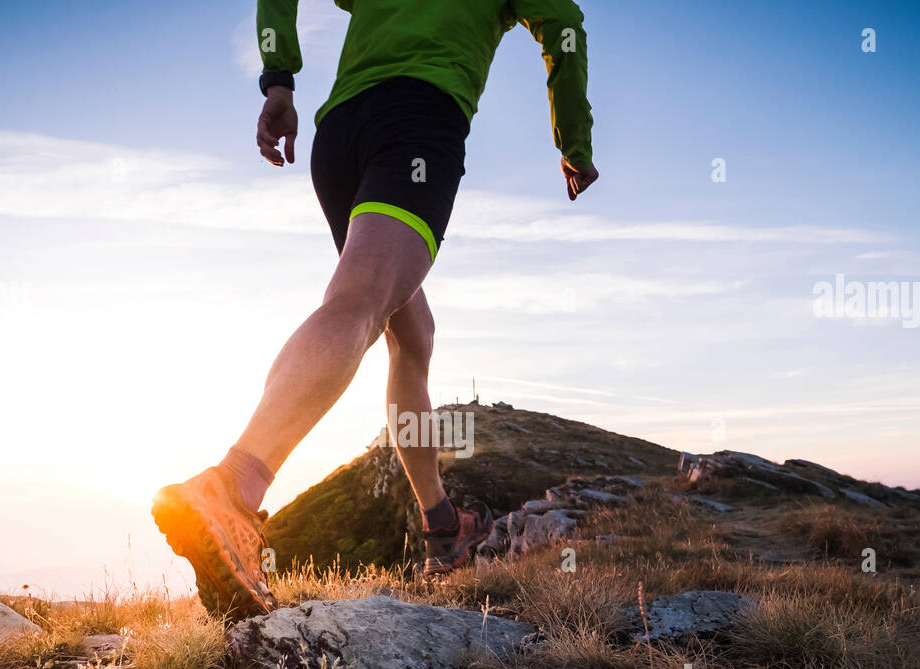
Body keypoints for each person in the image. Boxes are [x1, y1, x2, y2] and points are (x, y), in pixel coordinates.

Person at [153, 0, 598, 617]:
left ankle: (442, 525)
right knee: (361, 303)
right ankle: (234, 487)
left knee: (411, 333)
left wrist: (278, 81)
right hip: (417, 122)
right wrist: (574, 142)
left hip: (340, 136)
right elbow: (565, 32)